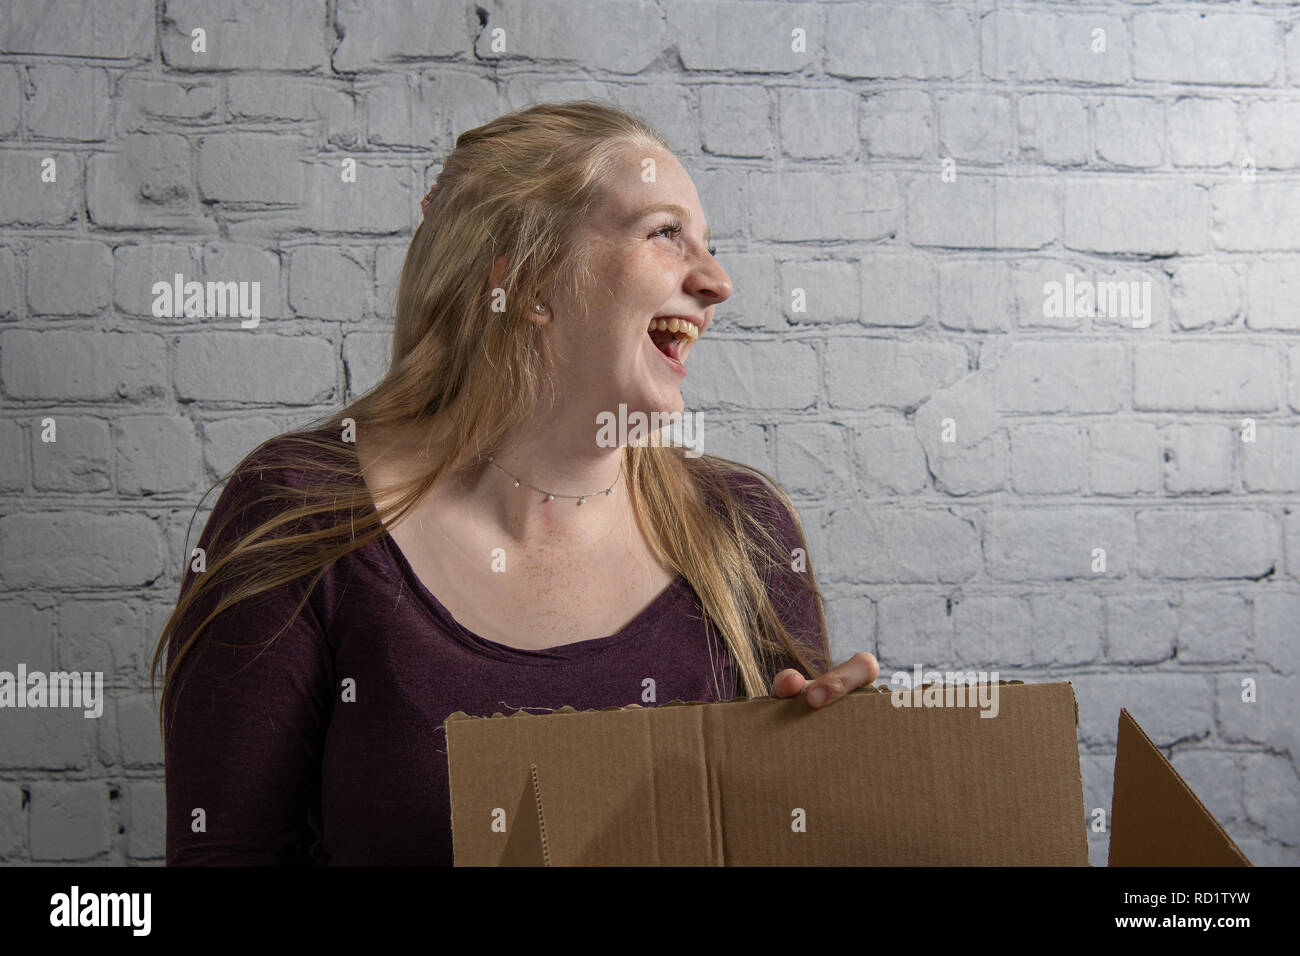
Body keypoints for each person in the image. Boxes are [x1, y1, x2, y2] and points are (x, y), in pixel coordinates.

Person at [152, 100, 880, 866]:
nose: (718, 282)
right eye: (666, 234)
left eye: (709, 245)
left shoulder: (745, 531)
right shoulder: (300, 512)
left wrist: (834, 787)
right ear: (529, 279)